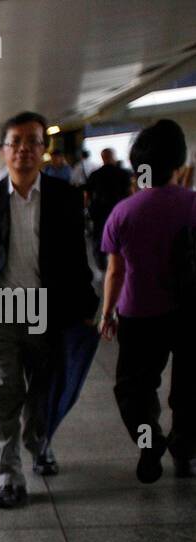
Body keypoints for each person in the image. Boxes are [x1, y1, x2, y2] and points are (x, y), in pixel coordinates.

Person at [0, 110, 98, 509]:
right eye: (15, 142)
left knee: (43, 390)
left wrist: (88, 308)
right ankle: (9, 477)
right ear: (3, 151)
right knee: (4, 393)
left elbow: (78, 260)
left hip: (47, 310)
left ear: (44, 149)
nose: (24, 148)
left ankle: (39, 442)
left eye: (33, 141)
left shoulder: (65, 199)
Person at [99, 119, 196, 481]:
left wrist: (107, 313)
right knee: (189, 389)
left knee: (134, 389)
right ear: (178, 164)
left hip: (139, 314)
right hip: (189, 313)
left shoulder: (124, 212)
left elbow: (114, 272)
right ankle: (184, 454)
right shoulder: (192, 205)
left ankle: (149, 442)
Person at [85, 147, 133, 270]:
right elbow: (130, 193)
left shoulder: (95, 175)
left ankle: (102, 265)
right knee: (122, 237)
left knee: (99, 238)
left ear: (102, 158)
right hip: (120, 210)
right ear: (113, 157)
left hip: (100, 212)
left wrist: (87, 208)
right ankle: (124, 262)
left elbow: (87, 194)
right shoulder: (124, 173)